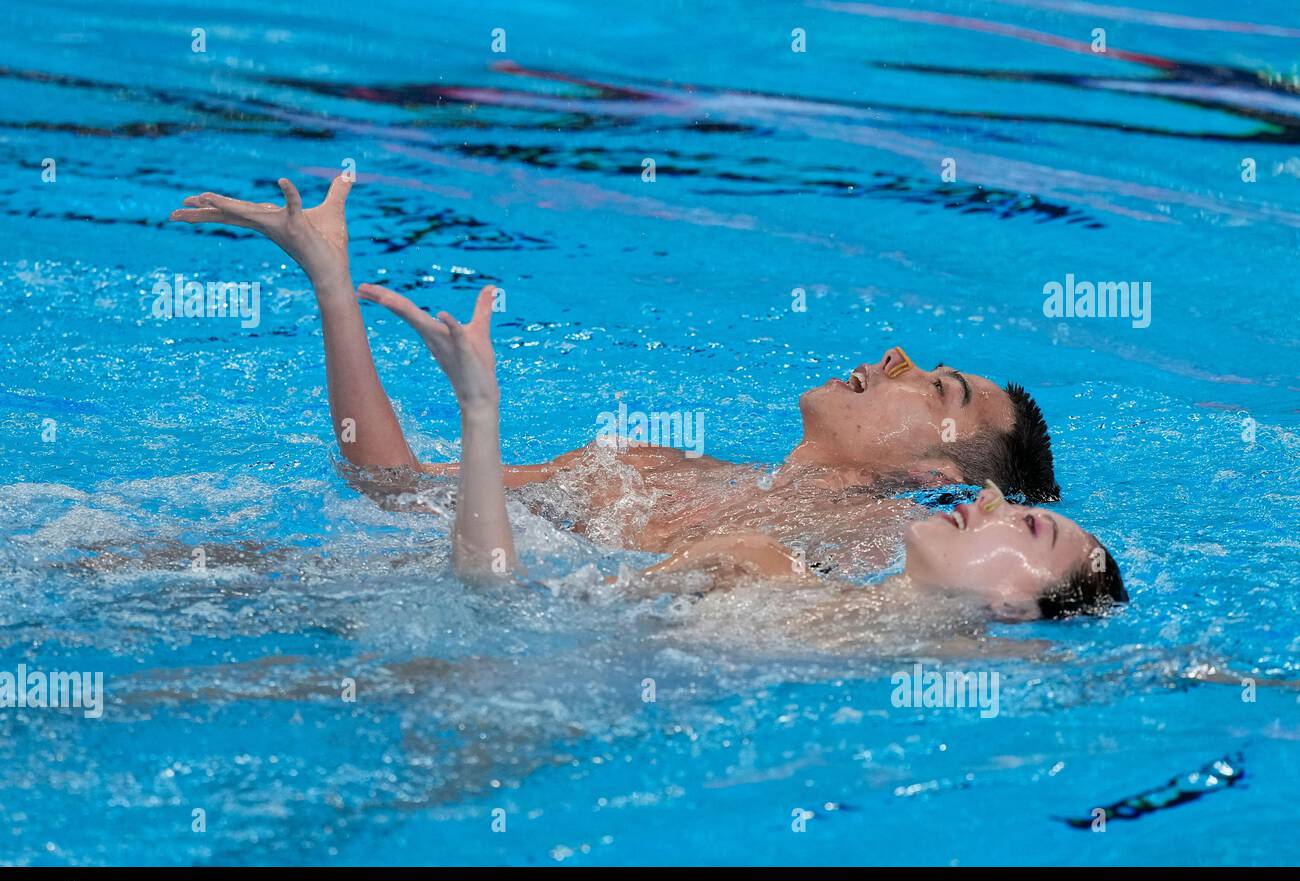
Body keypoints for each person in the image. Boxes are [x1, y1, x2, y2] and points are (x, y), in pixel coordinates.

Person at [169, 176, 1062, 574]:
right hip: (379, 591)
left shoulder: (874, 549)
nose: (896, 358)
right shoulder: (642, 466)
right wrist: (332, 285)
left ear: (935, 473)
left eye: (937, 388)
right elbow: (391, 490)